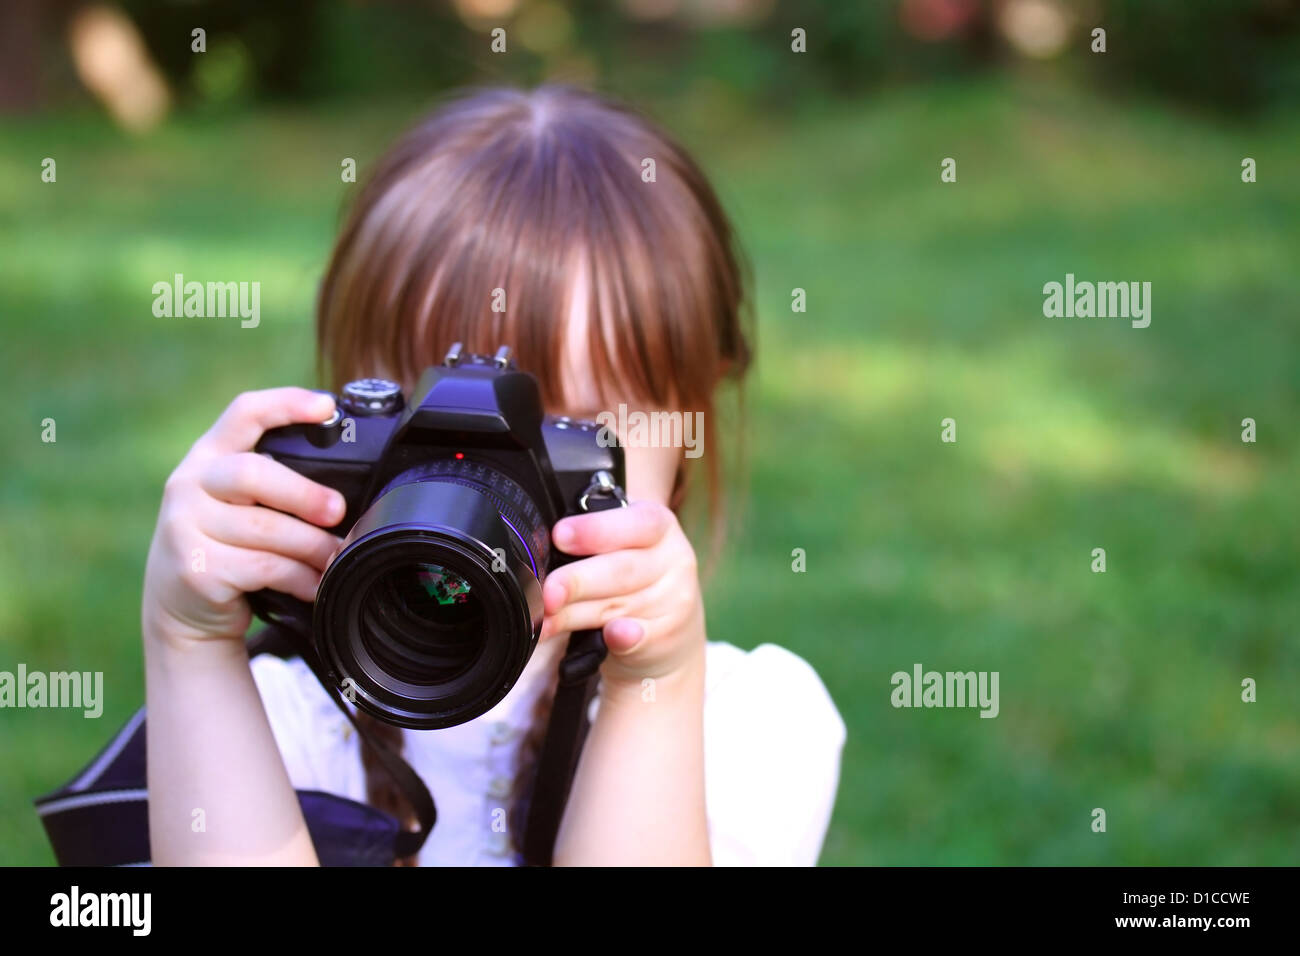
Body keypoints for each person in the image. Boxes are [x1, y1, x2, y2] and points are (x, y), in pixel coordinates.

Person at [140, 86, 845, 866]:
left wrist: (652, 685)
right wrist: (189, 647)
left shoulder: (752, 725)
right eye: (426, 420)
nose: (478, 480)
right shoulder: (272, 720)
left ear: (687, 426)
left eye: (565, 424)